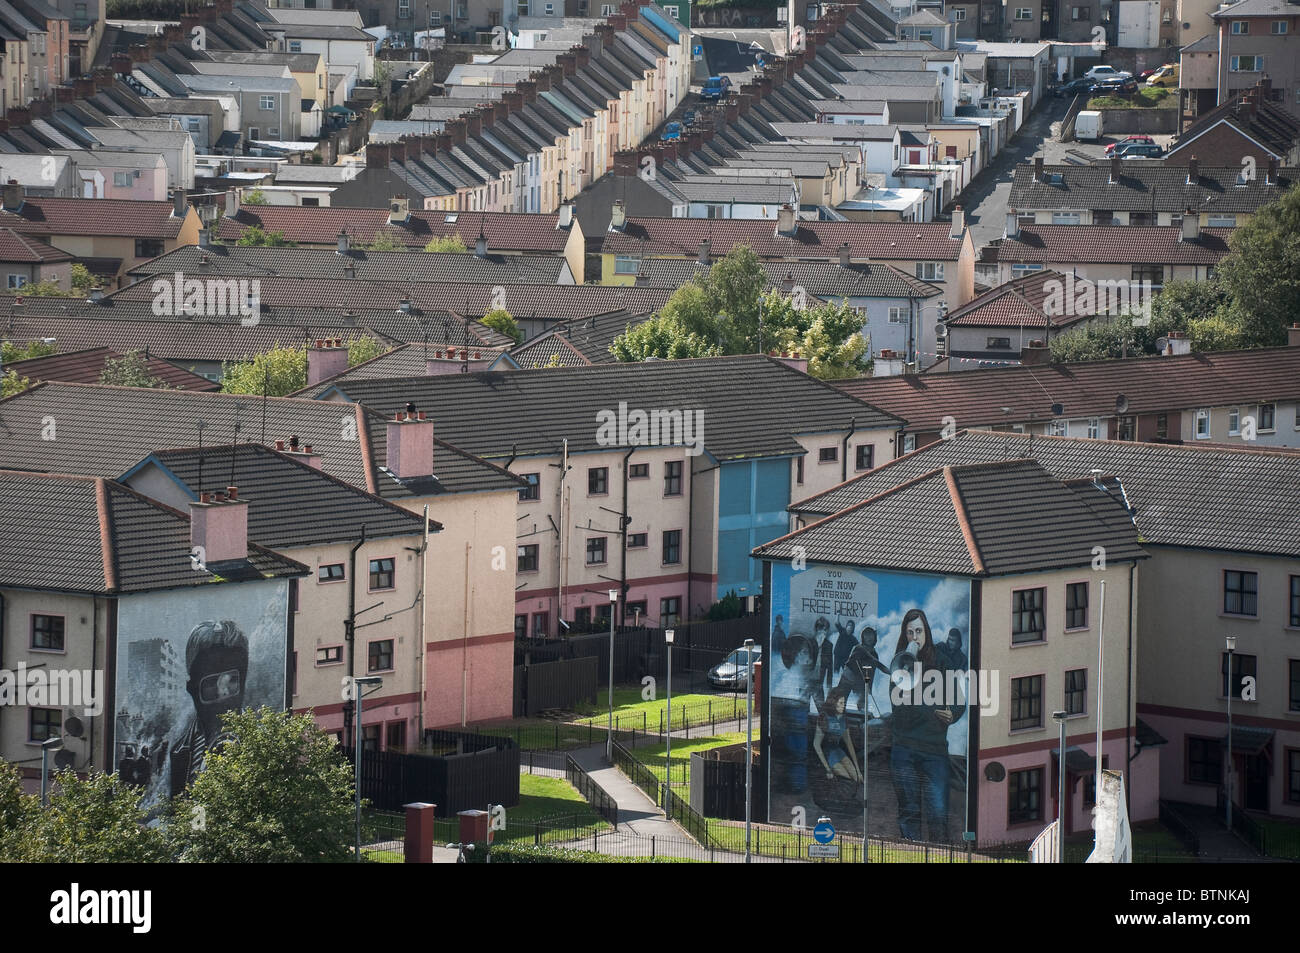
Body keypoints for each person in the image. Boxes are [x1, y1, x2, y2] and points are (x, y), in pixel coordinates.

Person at [888, 608, 956, 841]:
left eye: (919, 631)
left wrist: (952, 713)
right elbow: (899, 710)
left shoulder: (942, 662)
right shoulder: (900, 663)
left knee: (938, 812)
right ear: (904, 636)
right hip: (904, 749)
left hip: (934, 750)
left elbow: (959, 698)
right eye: (909, 633)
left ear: (926, 631)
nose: (915, 637)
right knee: (909, 811)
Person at [168, 619, 248, 798]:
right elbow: (176, 812)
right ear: (192, 689)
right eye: (212, 684)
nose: (223, 694)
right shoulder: (180, 751)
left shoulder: (261, 742)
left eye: (232, 680)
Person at [813, 685, 861, 783]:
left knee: (857, 778)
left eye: (844, 702)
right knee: (847, 778)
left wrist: (858, 769)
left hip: (838, 752)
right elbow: (816, 745)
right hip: (827, 754)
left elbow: (849, 744)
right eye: (841, 703)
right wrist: (827, 769)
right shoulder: (824, 717)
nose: (843, 705)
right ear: (833, 703)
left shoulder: (843, 719)